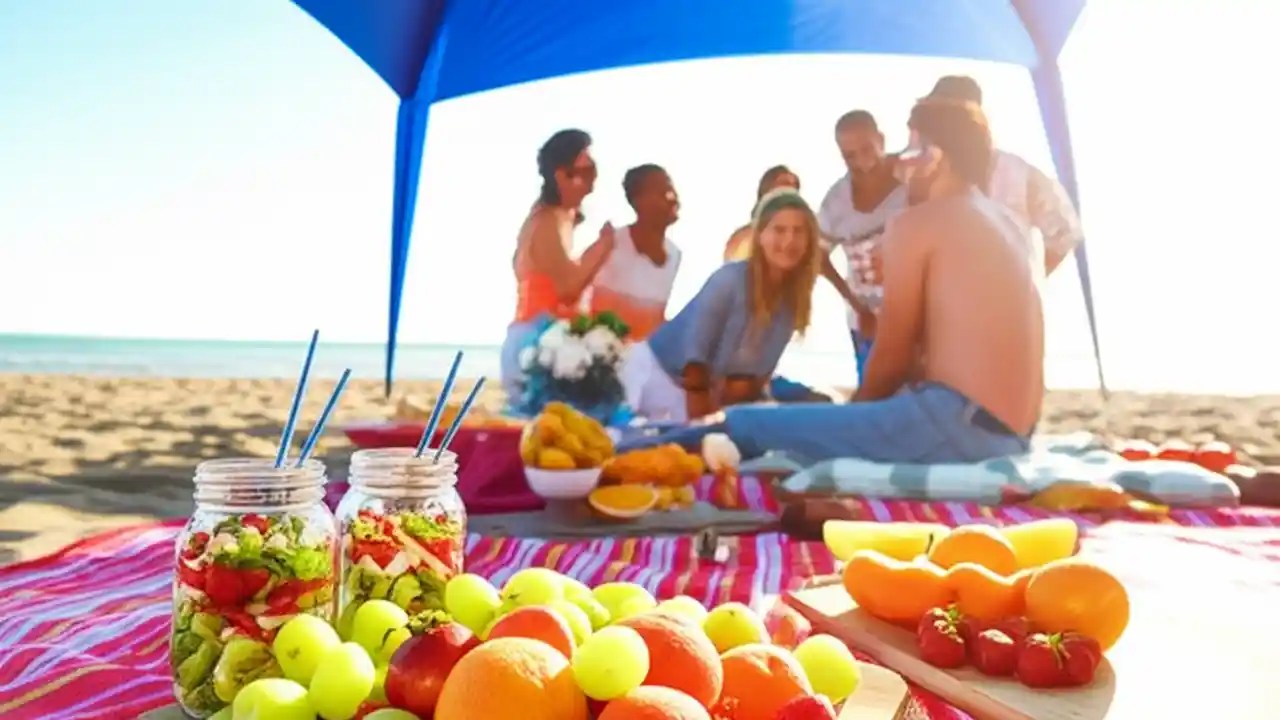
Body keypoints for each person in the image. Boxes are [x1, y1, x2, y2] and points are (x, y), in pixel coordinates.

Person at [633, 99, 1042, 465]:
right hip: (1013, 435)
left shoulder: (916, 223)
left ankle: (618, 456)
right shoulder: (1005, 223)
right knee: (805, 414)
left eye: (912, 149)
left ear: (938, 159)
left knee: (747, 424)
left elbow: (893, 355)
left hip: (957, 424)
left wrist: (852, 417)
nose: (900, 163)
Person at [620, 188, 822, 421]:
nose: (789, 241)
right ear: (760, 236)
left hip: (711, 394)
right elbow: (694, 366)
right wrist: (704, 427)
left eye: (799, 232)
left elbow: (755, 381)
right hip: (658, 378)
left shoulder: (792, 303)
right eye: (779, 230)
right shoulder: (729, 280)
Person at [925, 75, 1083, 275]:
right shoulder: (926, 173)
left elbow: (1065, 232)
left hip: (1009, 299)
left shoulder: (1019, 173)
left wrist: (1028, 280)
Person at [500, 129, 615, 399]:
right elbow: (566, 288)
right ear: (562, 175)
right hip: (537, 346)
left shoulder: (558, 218)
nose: (593, 181)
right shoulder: (547, 221)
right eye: (587, 171)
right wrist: (602, 247)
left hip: (545, 341)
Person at [817, 110, 910, 383]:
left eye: (867, 149)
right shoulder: (836, 202)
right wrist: (858, 308)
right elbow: (818, 257)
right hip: (868, 325)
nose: (861, 161)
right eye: (850, 155)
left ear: (881, 139)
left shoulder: (912, 180)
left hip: (916, 318)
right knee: (875, 396)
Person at [588, 164, 682, 340]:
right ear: (639, 201)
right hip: (604, 356)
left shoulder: (675, 255)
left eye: (672, 191)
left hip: (643, 360)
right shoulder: (611, 243)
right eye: (664, 192)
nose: (673, 198)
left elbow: (655, 318)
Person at [723, 165, 800, 262]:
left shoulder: (802, 240)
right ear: (767, 190)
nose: (791, 189)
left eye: (795, 185)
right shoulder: (745, 238)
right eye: (784, 183)